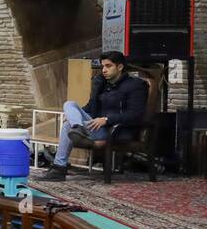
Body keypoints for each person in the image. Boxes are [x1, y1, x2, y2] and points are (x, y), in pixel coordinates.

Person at [41, 50, 147, 181]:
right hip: (95, 126)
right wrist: (73, 115)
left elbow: (135, 114)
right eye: (103, 66)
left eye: (108, 66)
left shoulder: (135, 85)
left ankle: (59, 168)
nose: (104, 70)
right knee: (69, 104)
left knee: (67, 126)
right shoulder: (102, 83)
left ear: (120, 67)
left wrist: (107, 119)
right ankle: (77, 126)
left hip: (114, 129)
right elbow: (90, 108)